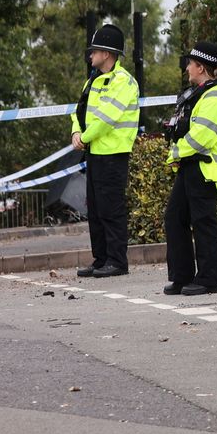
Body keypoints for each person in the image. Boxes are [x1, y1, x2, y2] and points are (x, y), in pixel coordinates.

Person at [163, 41, 217, 296]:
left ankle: (209, 279)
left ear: (200, 67)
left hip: (206, 168)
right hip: (191, 166)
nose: (186, 69)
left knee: (204, 222)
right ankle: (182, 276)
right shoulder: (203, 93)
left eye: (190, 65)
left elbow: (201, 137)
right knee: (175, 218)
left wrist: (173, 153)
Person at [73, 23, 140, 278]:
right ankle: (101, 259)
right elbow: (78, 111)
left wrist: (84, 138)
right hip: (95, 152)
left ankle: (117, 261)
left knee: (111, 208)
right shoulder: (92, 80)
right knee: (96, 209)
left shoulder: (123, 82)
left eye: (95, 51)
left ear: (108, 54)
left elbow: (106, 118)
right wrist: (75, 133)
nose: (90, 55)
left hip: (113, 154)